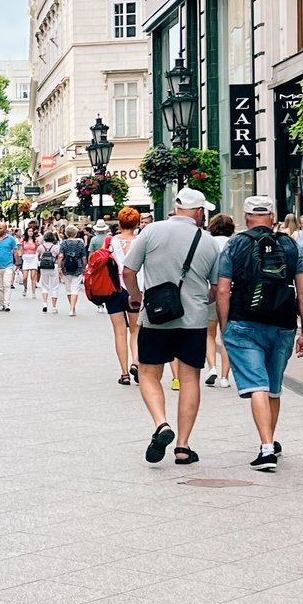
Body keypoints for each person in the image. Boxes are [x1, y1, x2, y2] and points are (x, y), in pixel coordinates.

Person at [215, 196, 303, 470]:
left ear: (246, 218)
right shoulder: (289, 245)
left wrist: (225, 327)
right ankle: (270, 438)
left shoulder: (235, 244)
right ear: (273, 217)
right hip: (282, 323)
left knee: (256, 384)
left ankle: (266, 447)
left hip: (243, 322)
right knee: (272, 387)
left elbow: (223, 289)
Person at [121, 189, 218, 465]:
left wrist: (136, 295)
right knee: (189, 379)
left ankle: (162, 424)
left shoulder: (151, 232)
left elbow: (128, 270)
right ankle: (183, 447)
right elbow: (215, 287)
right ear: (199, 212)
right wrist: (201, 300)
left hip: (156, 317)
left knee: (150, 374)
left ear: (176, 208)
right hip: (193, 320)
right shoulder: (208, 241)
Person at [101, 206, 142, 383]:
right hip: (135, 289)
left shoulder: (110, 241)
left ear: (119, 222)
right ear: (137, 223)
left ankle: (124, 373)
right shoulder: (141, 241)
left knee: (119, 332)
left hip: (114, 290)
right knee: (136, 330)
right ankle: (136, 362)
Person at [203, 213, 236, 384]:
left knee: (209, 333)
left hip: (211, 291)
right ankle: (225, 377)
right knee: (226, 335)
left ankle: (212, 368)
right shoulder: (234, 243)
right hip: (230, 293)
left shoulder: (208, 243)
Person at [58, 225, 88, 315]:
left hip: (66, 266)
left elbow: (60, 256)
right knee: (75, 288)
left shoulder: (63, 243)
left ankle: (72, 307)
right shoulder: (80, 243)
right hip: (77, 266)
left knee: (68, 288)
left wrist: (59, 267)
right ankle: (72, 308)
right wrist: (84, 267)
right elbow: (84, 257)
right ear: (75, 234)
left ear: (66, 234)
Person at [0, 223, 19, 311]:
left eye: (0, 228)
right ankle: (1, 304)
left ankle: (7, 304)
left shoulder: (11, 239)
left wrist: (17, 262)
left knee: (7, 285)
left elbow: (15, 251)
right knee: (0, 287)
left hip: (8, 265)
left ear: (5, 229)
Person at [36, 228, 63, 313]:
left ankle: (44, 303)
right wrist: (59, 268)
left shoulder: (40, 247)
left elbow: (37, 257)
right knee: (54, 287)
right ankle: (54, 307)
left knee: (44, 285)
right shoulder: (56, 247)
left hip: (44, 267)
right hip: (53, 266)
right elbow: (59, 257)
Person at [19, 223, 41, 300]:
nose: (30, 232)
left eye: (32, 231)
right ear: (26, 232)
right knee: (24, 277)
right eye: (29, 231)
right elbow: (21, 249)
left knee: (33, 276)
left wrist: (38, 257)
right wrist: (20, 256)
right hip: (26, 258)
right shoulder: (23, 240)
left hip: (33, 257)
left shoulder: (36, 240)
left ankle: (33, 292)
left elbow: (38, 248)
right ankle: (25, 288)